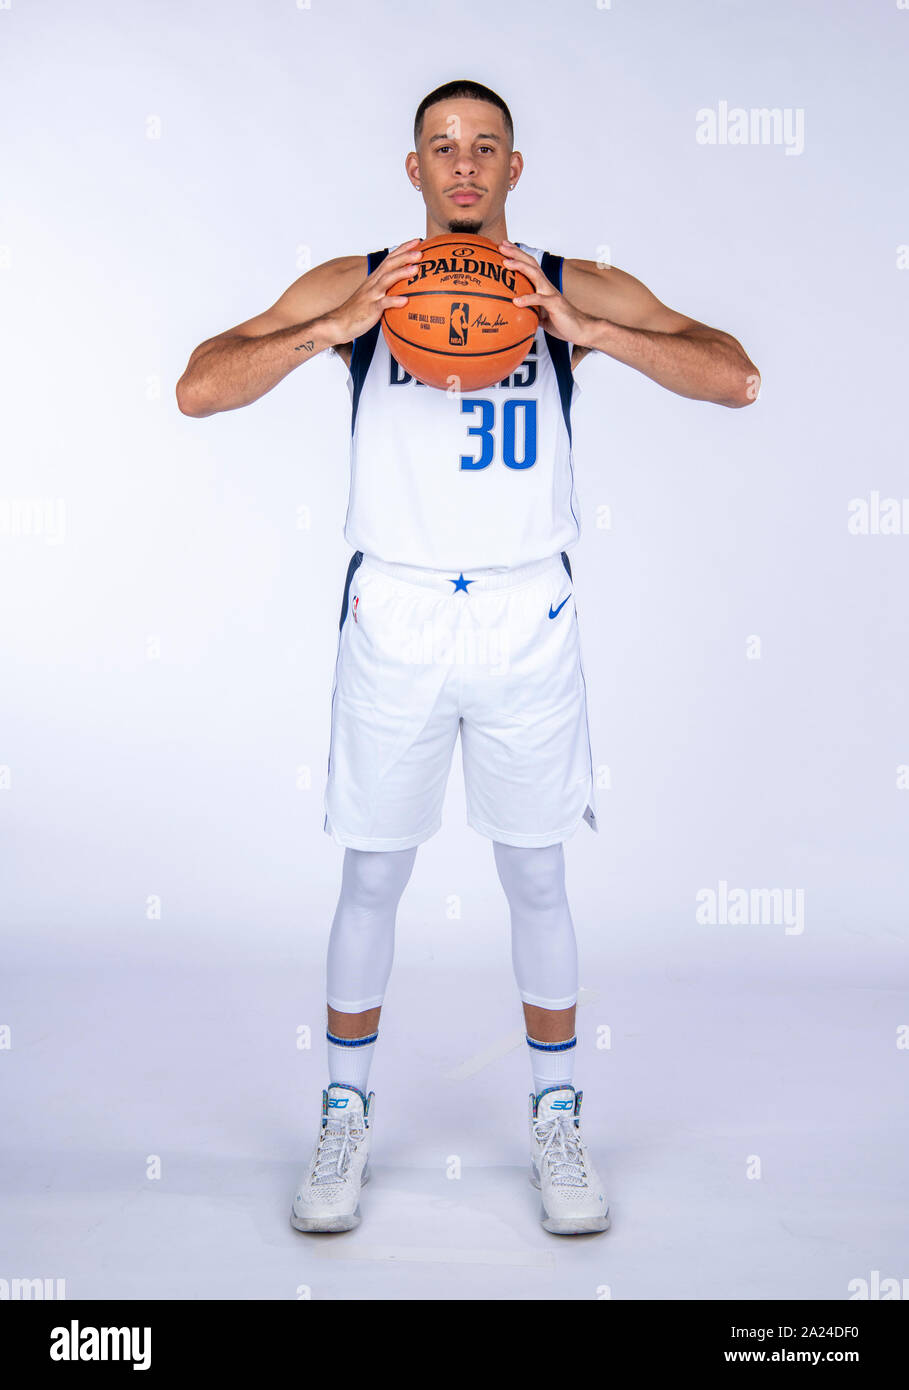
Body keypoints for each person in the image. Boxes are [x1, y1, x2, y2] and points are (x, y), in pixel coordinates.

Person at [176, 78, 760, 1237]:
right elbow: (199, 387)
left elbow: (734, 372)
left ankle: (557, 1118)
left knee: (537, 874)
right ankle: (344, 1114)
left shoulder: (564, 282)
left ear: (513, 168)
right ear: (412, 168)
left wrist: (593, 336)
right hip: (392, 612)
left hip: (524, 614)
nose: (463, 165)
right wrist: (322, 335)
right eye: (442, 146)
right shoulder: (359, 282)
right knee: (373, 875)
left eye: (484, 147)